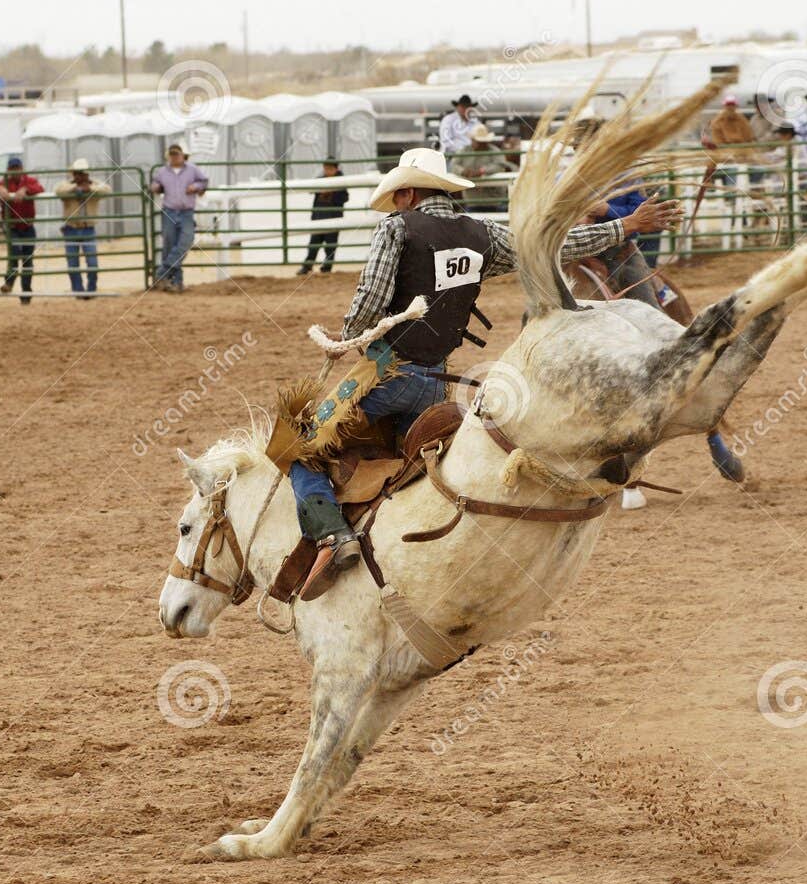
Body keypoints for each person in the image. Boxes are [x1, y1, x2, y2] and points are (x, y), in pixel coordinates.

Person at [269, 147, 684, 598]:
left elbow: (370, 301)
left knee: (299, 447)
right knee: (414, 471)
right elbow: (547, 247)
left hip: (386, 375)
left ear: (406, 192)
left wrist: (349, 335)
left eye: (397, 197)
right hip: (436, 386)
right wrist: (627, 226)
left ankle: (333, 536)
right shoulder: (480, 234)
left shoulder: (397, 229)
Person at [149, 144, 209, 293]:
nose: (175, 157)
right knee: (170, 245)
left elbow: (204, 181)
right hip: (169, 210)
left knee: (185, 242)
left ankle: (162, 273)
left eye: (177, 154)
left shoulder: (192, 169)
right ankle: (175, 283)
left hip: (186, 211)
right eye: (172, 154)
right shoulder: (162, 172)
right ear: (169, 156)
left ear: (182, 155)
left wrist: (195, 186)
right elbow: (155, 183)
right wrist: (155, 187)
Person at [0, 156, 43, 305]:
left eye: (17, 168)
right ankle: (10, 283)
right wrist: (0, 188)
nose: (15, 171)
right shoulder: (4, 182)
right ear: (9, 170)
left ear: (21, 168)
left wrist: (26, 189)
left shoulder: (29, 181)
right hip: (12, 226)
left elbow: (39, 188)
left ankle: (25, 293)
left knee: (27, 260)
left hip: (27, 226)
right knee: (15, 255)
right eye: (12, 169)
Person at [54, 158, 111, 296]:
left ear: (86, 174)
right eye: (77, 173)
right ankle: (78, 291)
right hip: (71, 227)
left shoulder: (94, 186)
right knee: (73, 264)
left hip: (87, 227)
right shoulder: (67, 186)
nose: (78, 175)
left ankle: (91, 290)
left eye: (81, 173)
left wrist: (89, 188)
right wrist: (75, 188)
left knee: (92, 263)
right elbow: (58, 190)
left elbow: (107, 189)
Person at [297, 159, 348, 275]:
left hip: (332, 217)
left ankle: (326, 268)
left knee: (330, 246)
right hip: (319, 217)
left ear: (336, 169)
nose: (327, 171)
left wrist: (331, 191)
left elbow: (344, 198)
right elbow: (311, 190)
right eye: (325, 168)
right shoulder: (321, 179)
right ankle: (307, 266)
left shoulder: (341, 181)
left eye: (329, 168)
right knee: (313, 244)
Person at [706, 94, 756, 186]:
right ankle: (731, 194)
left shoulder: (742, 120)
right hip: (726, 154)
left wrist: (744, 151)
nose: (730, 108)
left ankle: (755, 189)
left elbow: (748, 138)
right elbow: (719, 142)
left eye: (732, 105)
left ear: (735, 106)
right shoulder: (717, 122)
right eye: (728, 105)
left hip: (742, 152)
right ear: (724, 106)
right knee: (731, 168)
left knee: (757, 167)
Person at [459, 124, 510, 212]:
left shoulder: (494, 151)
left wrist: (482, 171)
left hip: (493, 200)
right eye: (477, 141)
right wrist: (463, 171)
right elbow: (454, 165)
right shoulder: (465, 151)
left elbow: (500, 165)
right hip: (472, 199)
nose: (479, 143)